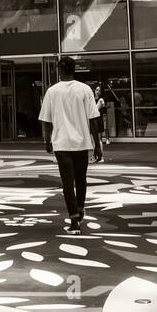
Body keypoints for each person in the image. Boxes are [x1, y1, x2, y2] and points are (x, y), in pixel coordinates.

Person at [39, 55, 102, 235]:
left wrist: (47, 140)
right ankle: (80, 208)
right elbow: (93, 120)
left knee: (68, 184)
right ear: (75, 69)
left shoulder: (52, 91)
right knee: (81, 180)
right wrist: (96, 145)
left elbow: (46, 120)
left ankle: (74, 221)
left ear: (59, 70)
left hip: (62, 144)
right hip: (82, 143)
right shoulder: (85, 89)